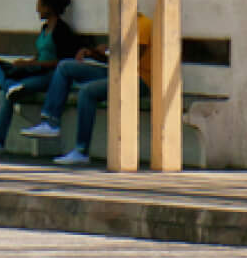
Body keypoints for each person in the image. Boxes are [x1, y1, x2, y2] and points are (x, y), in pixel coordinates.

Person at [22, 11, 152, 165]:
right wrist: (92, 53)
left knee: (87, 91)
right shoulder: (122, 26)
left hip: (138, 79)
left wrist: (110, 51)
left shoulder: (143, 24)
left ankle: (81, 150)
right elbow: (112, 59)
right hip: (116, 73)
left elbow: (132, 58)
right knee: (65, 66)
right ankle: (50, 121)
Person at [0, 0, 83, 158]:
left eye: (40, 5)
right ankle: (9, 84)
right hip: (32, 70)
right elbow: (40, 53)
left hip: (48, 75)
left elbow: (62, 62)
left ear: (49, 8)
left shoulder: (61, 30)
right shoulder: (44, 28)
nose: (37, 9)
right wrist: (25, 63)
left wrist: (32, 64)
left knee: (5, 94)